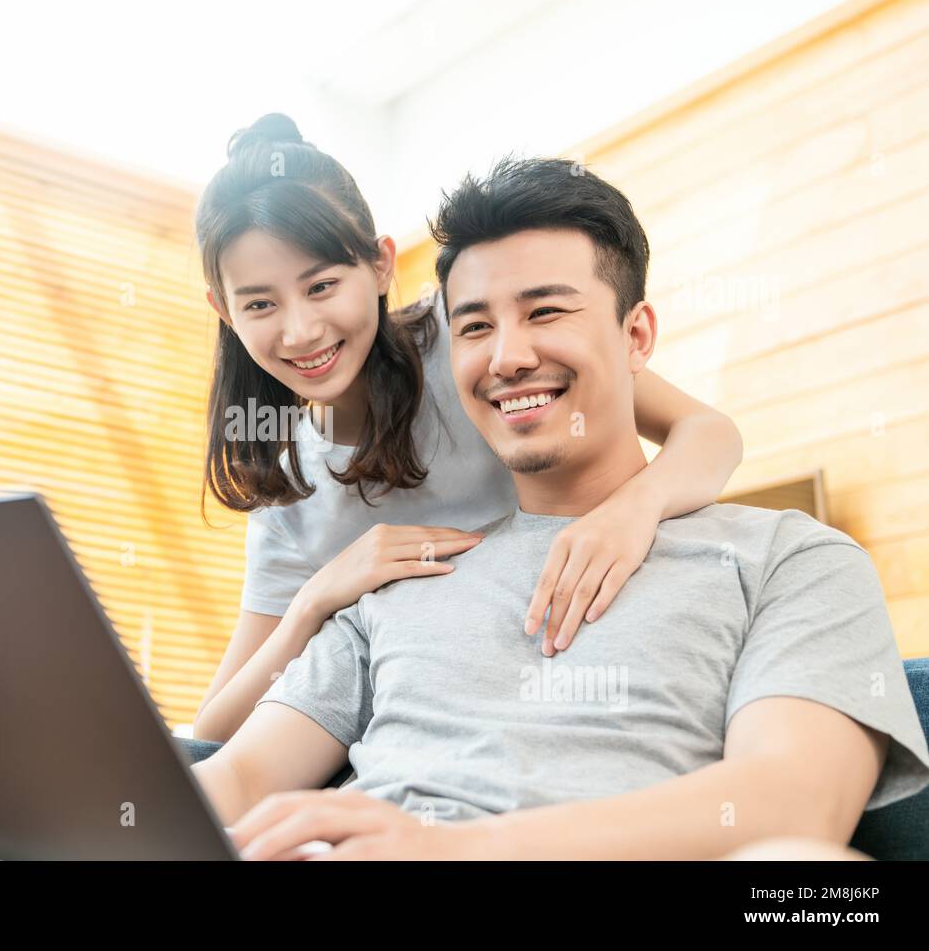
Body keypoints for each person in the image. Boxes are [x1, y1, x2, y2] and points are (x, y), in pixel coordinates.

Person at [190, 155, 929, 860]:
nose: (507, 357)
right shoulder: (393, 584)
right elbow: (238, 773)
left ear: (636, 334)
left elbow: (794, 809)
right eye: (475, 326)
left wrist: (449, 849)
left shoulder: (789, 560)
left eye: (545, 311)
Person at [192, 114, 744, 742]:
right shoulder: (288, 483)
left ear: (379, 266)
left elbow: (709, 430)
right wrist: (315, 599)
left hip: (583, 631)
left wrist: (633, 509)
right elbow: (213, 731)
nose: (301, 331)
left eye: (322, 285)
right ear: (223, 310)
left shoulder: (475, 336)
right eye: (260, 303)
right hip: (447, 705)